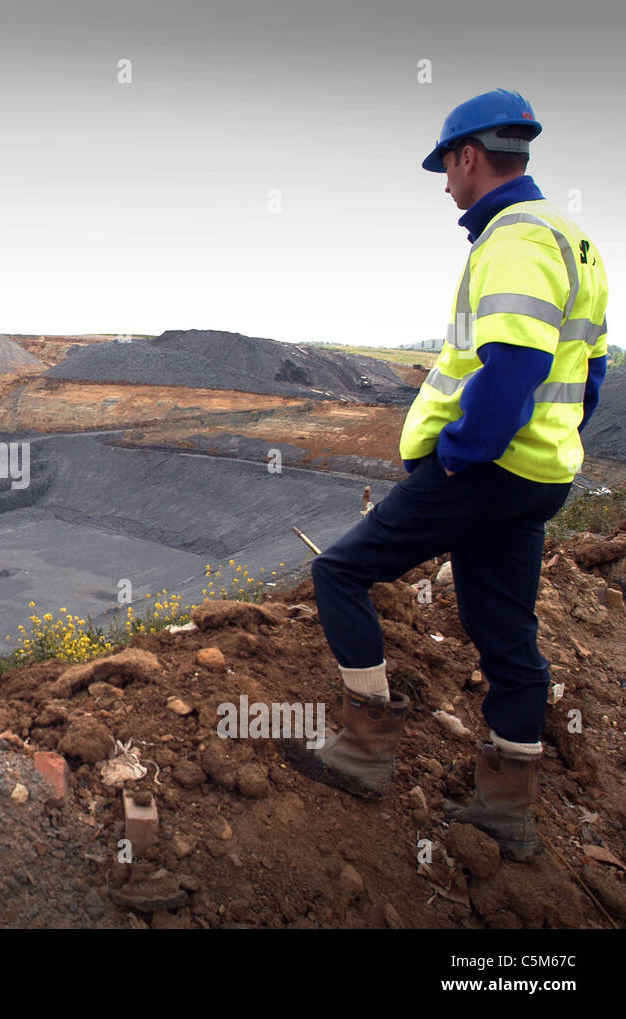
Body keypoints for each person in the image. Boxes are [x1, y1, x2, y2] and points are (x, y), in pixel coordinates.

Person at [281, 88, 610, 862]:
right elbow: (588, 379)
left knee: (340, 574)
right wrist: (545, 441)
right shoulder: (576, 240)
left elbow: (514, 366)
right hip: (538, 474)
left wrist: (461, 451)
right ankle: (507, 809)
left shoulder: (512, 239)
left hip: (485, 469)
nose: (443, 183)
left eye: (445, 165)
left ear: (469, 156)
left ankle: (364, 752)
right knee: (506, 635)